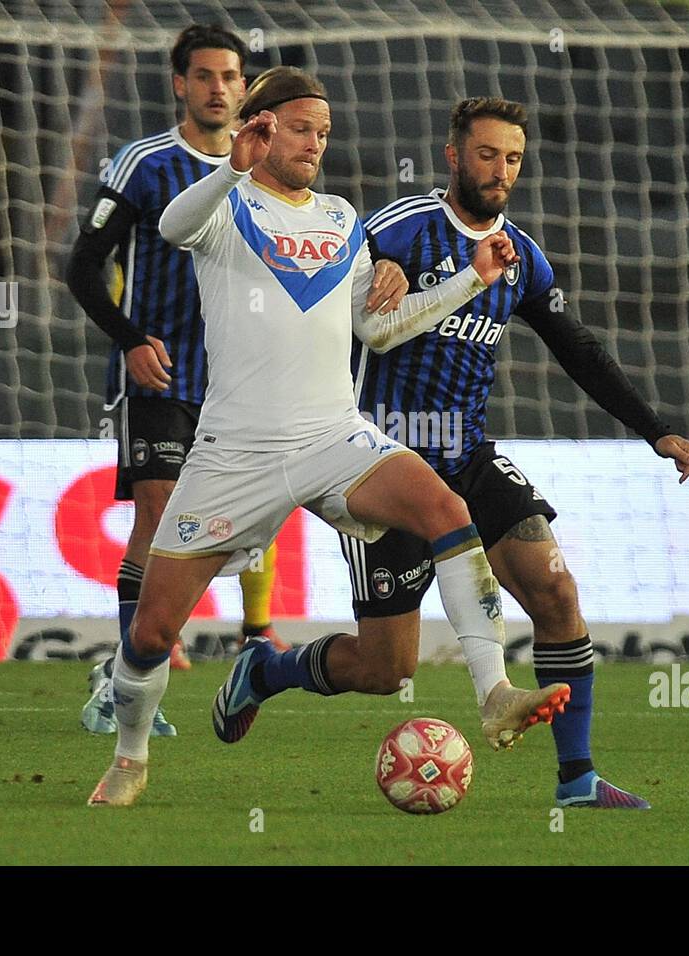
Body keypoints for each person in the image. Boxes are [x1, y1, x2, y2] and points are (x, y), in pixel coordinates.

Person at [88, 68, 568, 807]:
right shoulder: (225, 202)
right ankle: (129, 757)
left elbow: (375, 329)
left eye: (324, 132)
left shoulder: (342, 219)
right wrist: (231, 166)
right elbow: (171, 227)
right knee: (151, 633)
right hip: (236, 452)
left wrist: (468, 280)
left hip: (332, 435)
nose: (316, 143)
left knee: (447, 511)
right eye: (303, 128)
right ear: (262, 127)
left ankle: (495, 689)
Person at [340, 97, 689, 809]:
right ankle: (266, 671)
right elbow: (343, 299)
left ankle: (578, 780)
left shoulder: (522, 257)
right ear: (453, 156)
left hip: (468, 456)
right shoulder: (399, 230)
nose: (501, 170)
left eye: (512, 158)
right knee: (386, 668)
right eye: (486, 155)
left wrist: (654, 427)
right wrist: (370, 270)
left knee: (555, 589)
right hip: (381, 463)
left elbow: (578, 349)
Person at [65, 26, 407, 735]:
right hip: (164, 372)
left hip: (251, 382)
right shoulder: (147, 163)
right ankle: (136, 670)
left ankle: (256, 637)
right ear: (180, 84)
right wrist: (129, 341)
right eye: (204, 76)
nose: (218, 87)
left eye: (230, 76)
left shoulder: (283, 177)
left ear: (248, 91)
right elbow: (82, 264)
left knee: (263, 500)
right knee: (159, 514)